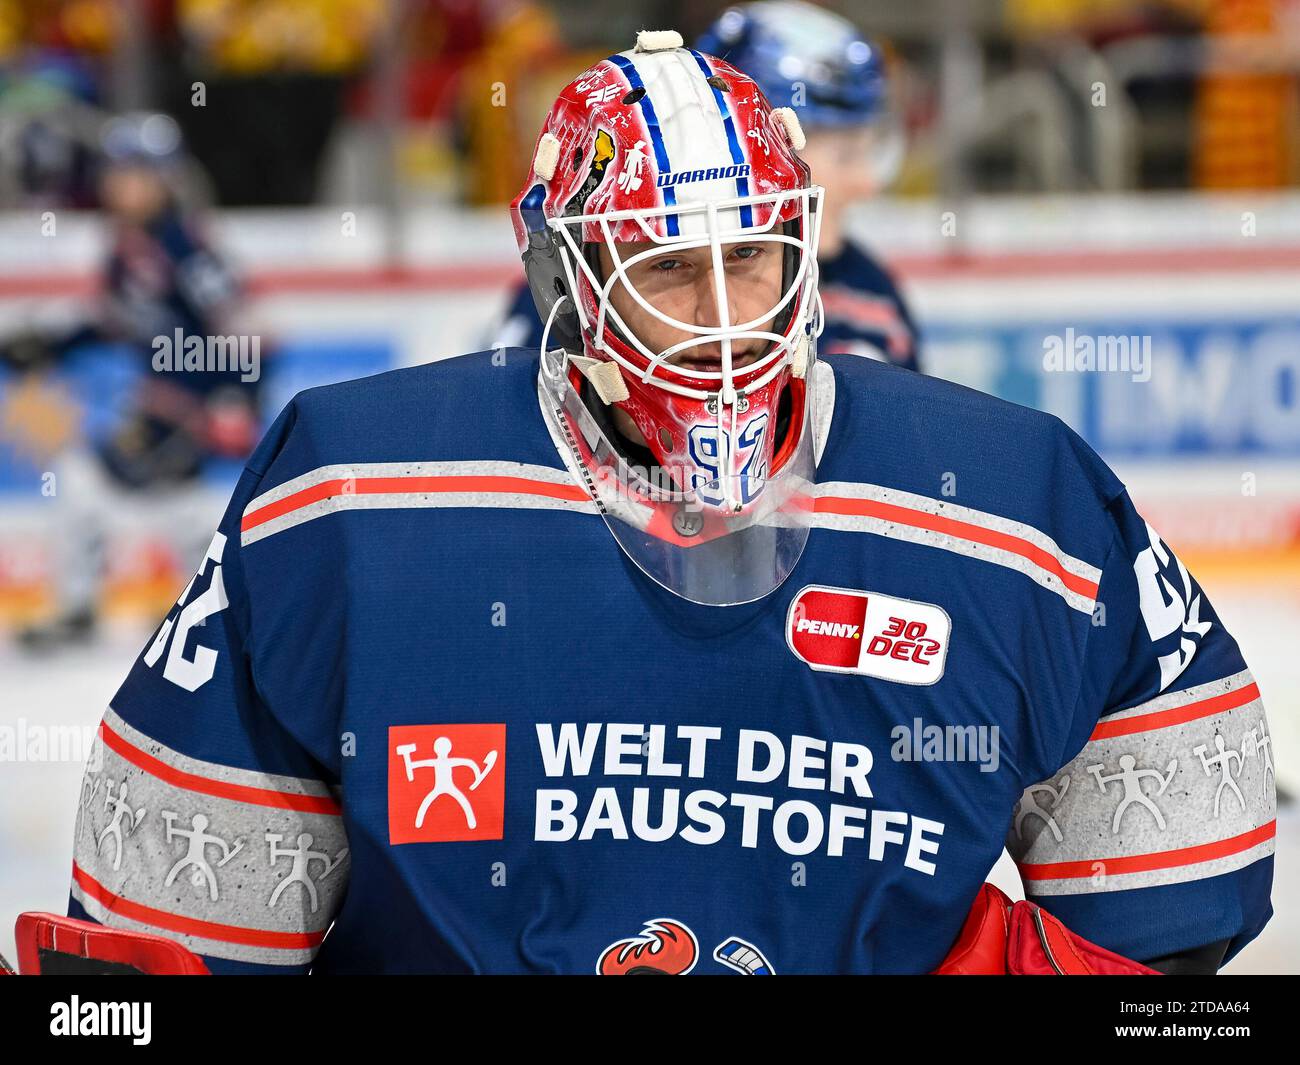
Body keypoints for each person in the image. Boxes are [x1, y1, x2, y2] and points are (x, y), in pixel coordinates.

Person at [64, 33, 1272, 974]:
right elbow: (161, 954)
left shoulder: (1025, 503)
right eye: (665, 270)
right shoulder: (345, 494)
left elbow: (1175, 929)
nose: (725, 316)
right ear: (565, 280)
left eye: (749, 258)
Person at [493, 2, 922, 372]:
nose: (866, 184)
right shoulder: (569, 293)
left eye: (746, 254)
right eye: (844, 155)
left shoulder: (873, 293)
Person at [3, 112, 263, 650]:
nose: (118, 184)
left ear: (163, 177)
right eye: (115, 171)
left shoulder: (188, 250)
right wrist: (49, 346)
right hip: (154, 414)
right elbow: (117, 323)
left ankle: (193, 620)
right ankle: (201, 618)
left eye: (134, 172)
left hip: (186, 418)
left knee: (101, 485)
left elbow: (246, 332)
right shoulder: (127, 251)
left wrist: (235, 398)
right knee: (150, 504)